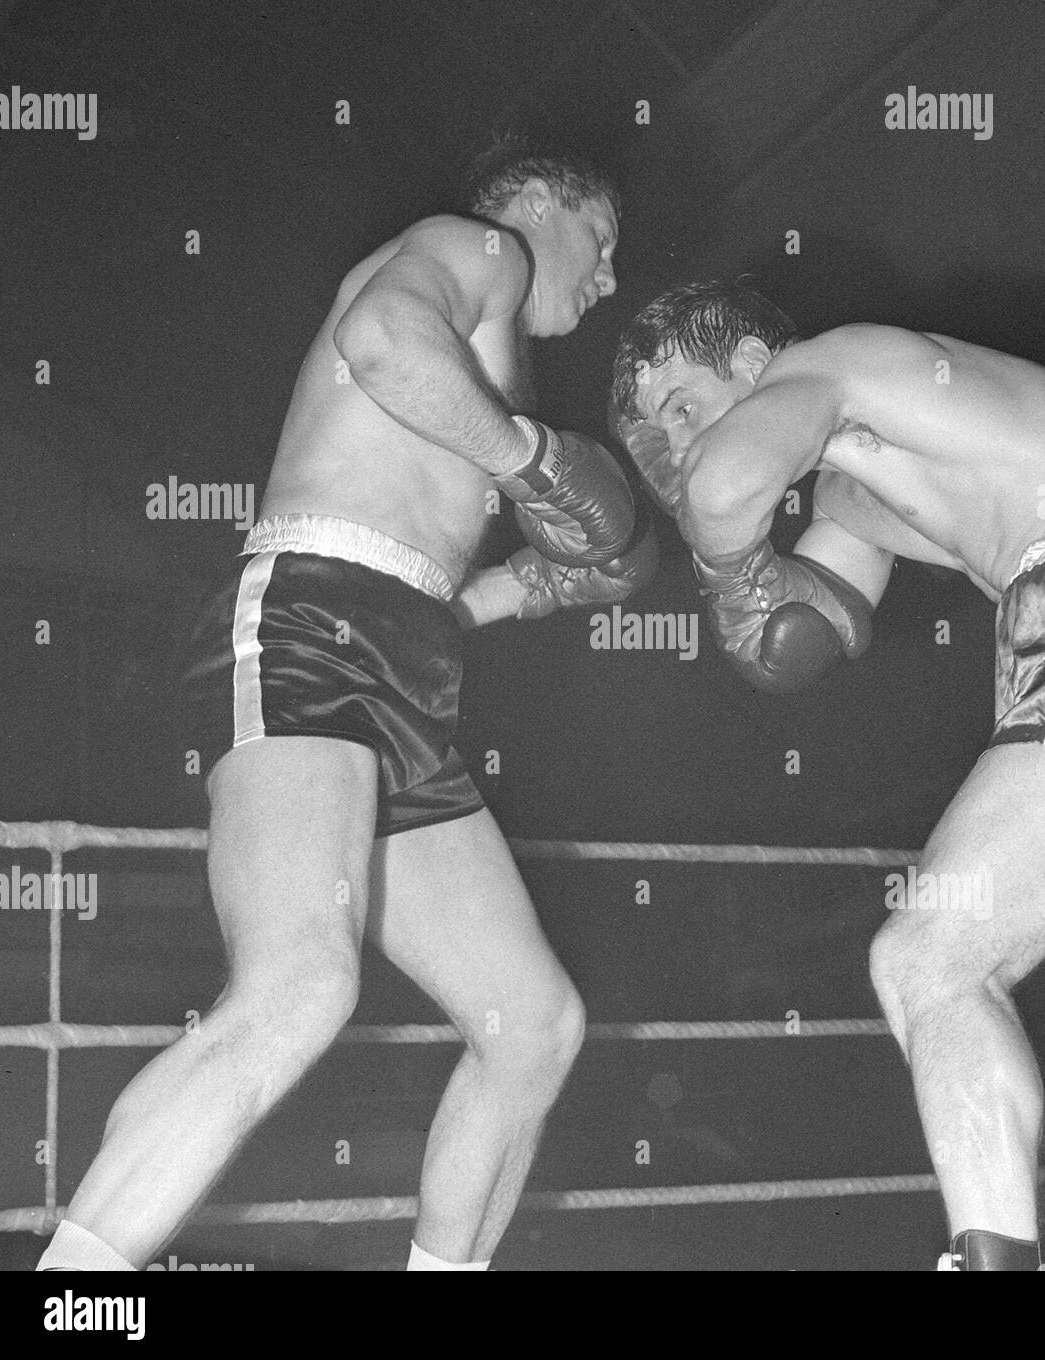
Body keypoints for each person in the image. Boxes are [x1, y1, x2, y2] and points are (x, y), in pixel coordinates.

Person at [37, 136, 653, 1273]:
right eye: (603, 240)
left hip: (400, 652)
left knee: (532, 1023)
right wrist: (527, 461)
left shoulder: (495, 346)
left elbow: (422, 576)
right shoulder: (477, 249)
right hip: (310, 623)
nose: (610, 278)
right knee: (299, 984)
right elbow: (378, 344)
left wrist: (541, 580)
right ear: (539, 203)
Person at [611, 279, 1045, 1271]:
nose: (675, 449)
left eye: (681, 409)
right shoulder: (852, 482)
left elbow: (721, 488)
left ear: (753, 369)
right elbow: (797, 639)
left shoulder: (829, 365)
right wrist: (737, 581)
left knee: (929, 958)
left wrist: (708, 535)